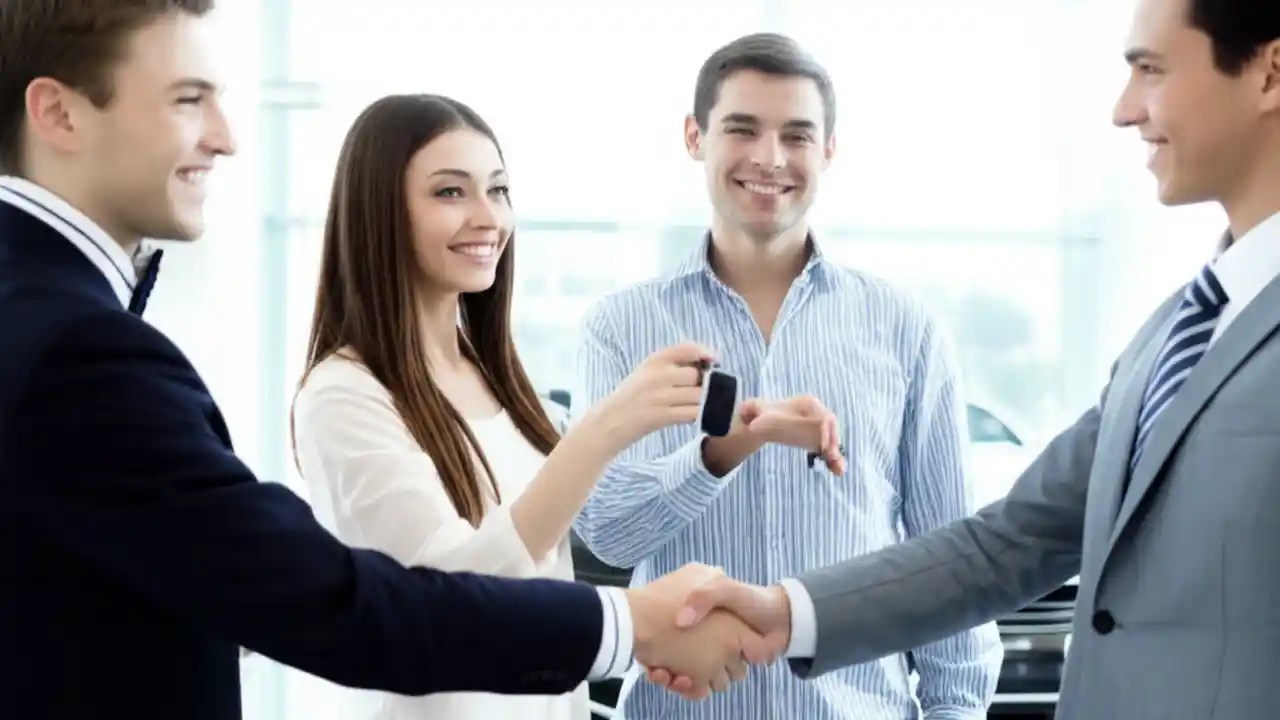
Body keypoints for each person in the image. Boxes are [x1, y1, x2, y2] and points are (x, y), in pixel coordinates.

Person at [0, 3, 759, 719]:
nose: (228, 137)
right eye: (187, 99)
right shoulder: (81, 351)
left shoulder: (53, 318)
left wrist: (713, 456)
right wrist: (628, 622)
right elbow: (349, 604)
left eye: (497, 189)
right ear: (59, 113)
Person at [653, 1, 1280, 718]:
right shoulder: (1172, 332)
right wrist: (788, 611)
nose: (1123, 109)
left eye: (1151, 69)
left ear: (1269, 73)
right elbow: (1009, 543)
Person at [571, 32, 1002, 719]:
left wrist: (956, 713)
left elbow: (948, 566)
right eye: (742, 129)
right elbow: (609, 535)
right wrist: (718, 454)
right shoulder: (619, 329)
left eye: (797, 136)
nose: (770, 158)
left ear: (828, 150)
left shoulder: (906, 328)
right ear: (695, 136)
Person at [290, 93, 760, 720]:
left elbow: (575, 553)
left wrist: (720, 451)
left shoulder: (498, 381)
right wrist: (603, 430)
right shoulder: (344, 395)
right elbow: (454, 596)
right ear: (380, 211)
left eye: (499, 190)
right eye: (451, 193)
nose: (489, 218)